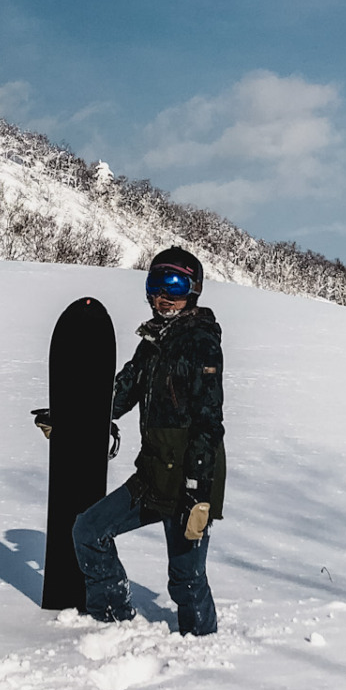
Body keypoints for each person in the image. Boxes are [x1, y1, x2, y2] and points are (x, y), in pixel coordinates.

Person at [64, 247, 225, 634]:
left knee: (186, 578)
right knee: (89, 531)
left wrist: (198, 491)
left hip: (189, 478)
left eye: (175, 285)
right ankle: (112, 620)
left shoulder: (200, 343)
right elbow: (119, 393)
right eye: (156, 284)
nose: (164, 295)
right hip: (153, 473)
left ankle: (202, 645)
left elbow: (208, 422)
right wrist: (73, 420)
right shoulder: (152, 342)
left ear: (194, 290)